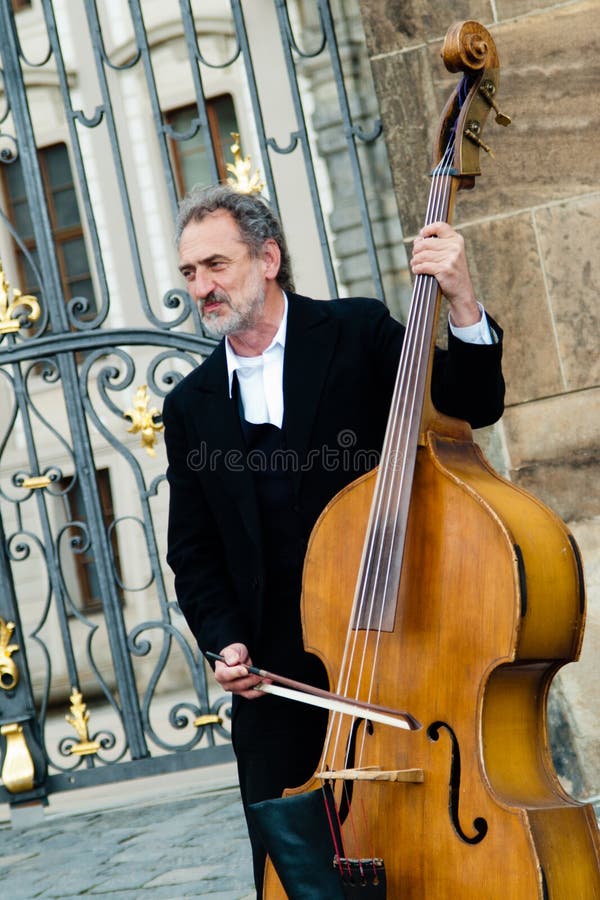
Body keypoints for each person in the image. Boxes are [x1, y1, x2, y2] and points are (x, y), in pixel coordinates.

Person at [163, 184, 504, 896]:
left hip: (393, 659)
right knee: (299, 883)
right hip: (275, 693)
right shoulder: (189, 405)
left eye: (216, 265)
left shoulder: (357, 333)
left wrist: (462, 300)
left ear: (269, 258)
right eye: (191, 272)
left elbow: (475, 405)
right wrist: (223, 643)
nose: (203, 287)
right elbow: (192, 552)